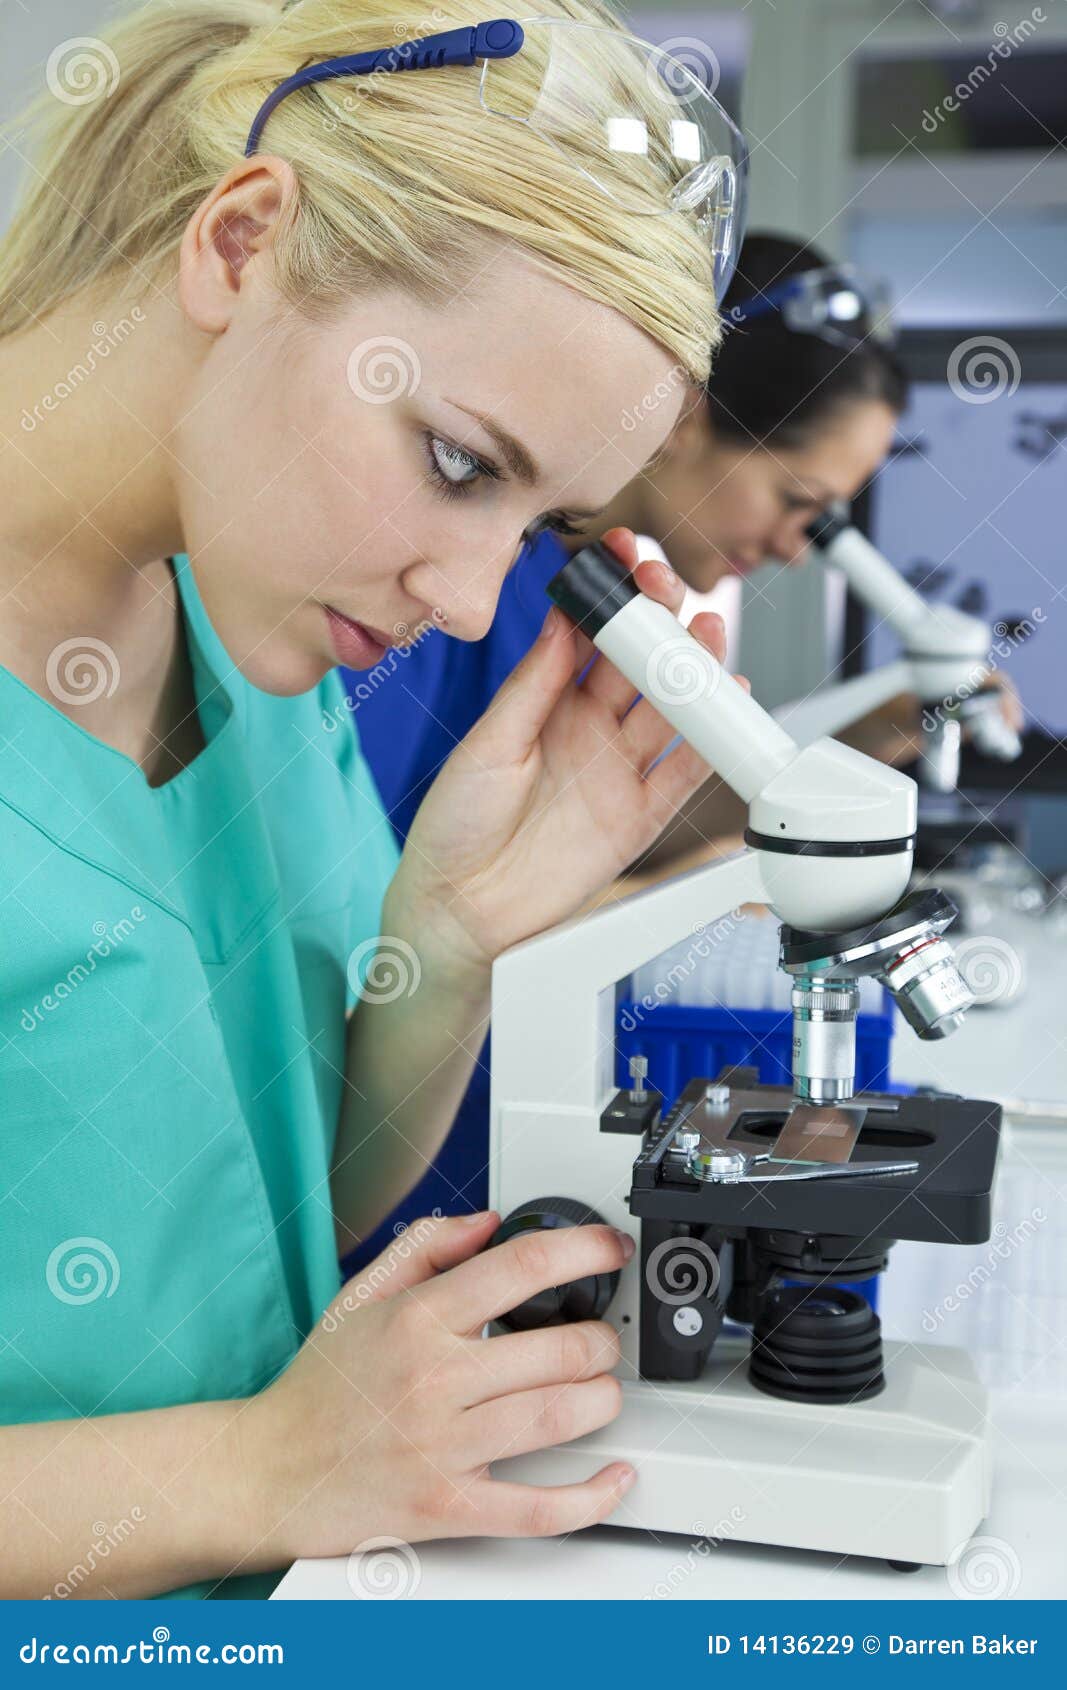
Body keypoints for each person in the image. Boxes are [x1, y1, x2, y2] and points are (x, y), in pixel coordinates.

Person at [0, 0, 749, 1598]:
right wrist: (265, 1464)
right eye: (463, 462)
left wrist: (453, 935)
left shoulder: (235, 619)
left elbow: (260, 1197)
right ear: (245, 242)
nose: (476, 604)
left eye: (539, 515)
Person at [346, 231, 950, 1259]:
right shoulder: (447, 594)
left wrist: (869, 744)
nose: (799, 547)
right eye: (797, 500)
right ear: (686, 418)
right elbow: (385, 909)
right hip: (374, 1135)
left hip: (464, 1123)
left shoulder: (597, 600)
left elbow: (615, 831)